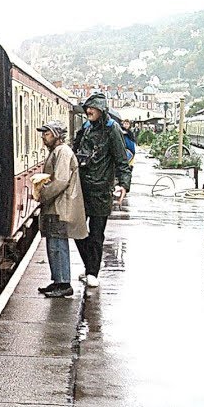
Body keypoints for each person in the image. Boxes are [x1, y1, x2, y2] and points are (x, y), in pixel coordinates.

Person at [71, 92, 130, 288]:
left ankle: (92, 272)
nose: (89, 111)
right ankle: (90, 266)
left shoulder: (112, 130)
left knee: (96, 234)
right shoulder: (86, 128)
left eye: (93, 108)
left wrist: (124, 184)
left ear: (101, 110)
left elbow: (122, 160)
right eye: (88, 107)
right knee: (77, 230)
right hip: (82, 188)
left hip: (101, 190)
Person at [35, 120, 87, 298]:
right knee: (53, 243)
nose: (43, 137)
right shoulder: (57, 151)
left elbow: (60, 180)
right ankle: (58, 280)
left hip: (60, 206)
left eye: (47, 133)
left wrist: (42, 193)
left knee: (58, 244)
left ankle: (64, 283)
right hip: (56, 205)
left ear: (57, 135)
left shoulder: (62, 152)